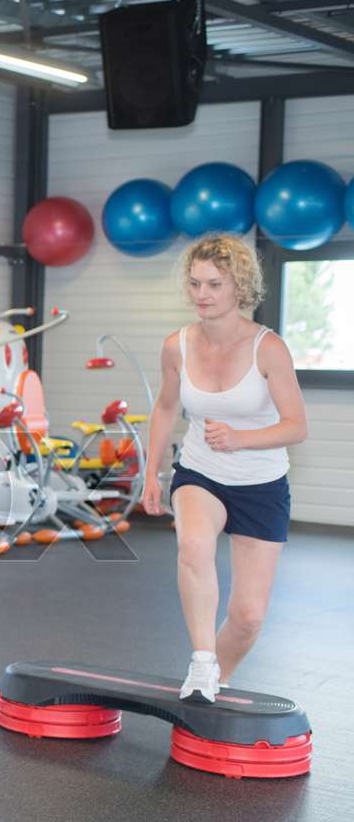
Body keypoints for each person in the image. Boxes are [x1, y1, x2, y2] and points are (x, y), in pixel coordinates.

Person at [141, 234, 306, 703]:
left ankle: (215, 681)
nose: (202, 294)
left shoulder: (268, 348)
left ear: (240, 287)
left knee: (248, 617)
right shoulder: (176, 346)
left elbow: (297, 426)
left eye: (214, 284)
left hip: (261, 483)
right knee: (193, 544)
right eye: (195, 283)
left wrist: (241, 438)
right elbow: (165, 406)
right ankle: (202, 661)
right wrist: (151, 472)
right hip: (200, 472)